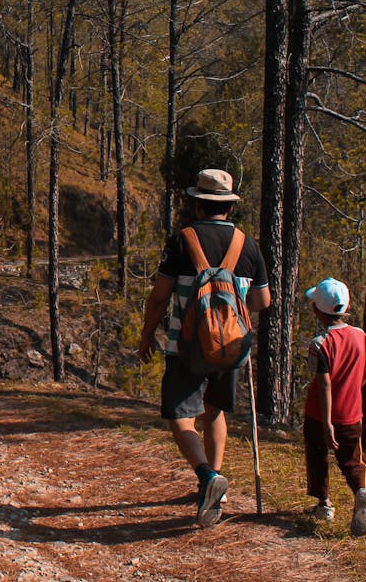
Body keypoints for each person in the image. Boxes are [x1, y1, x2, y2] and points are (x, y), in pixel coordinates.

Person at [139, 168, 271, 528]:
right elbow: (262, 300)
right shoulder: (248, 245)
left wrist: (147, 333)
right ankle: (218, 482)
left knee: (181, 417)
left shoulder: (182, 241)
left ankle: (207, 477)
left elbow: (159, 297)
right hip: (230, 346)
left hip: (186, 345)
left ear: (198, 205)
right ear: (228, 208)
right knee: (215, 411)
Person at [302, 277, 366, 537]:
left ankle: (324, 504)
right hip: (353, 413)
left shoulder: (319, 344)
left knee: (318, 454)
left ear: (317, 310)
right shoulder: (360, 335)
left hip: (320, 414)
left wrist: (327, 422)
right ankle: (361, 492)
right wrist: (352, 389)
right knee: (352, 460)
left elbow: (323, 384)